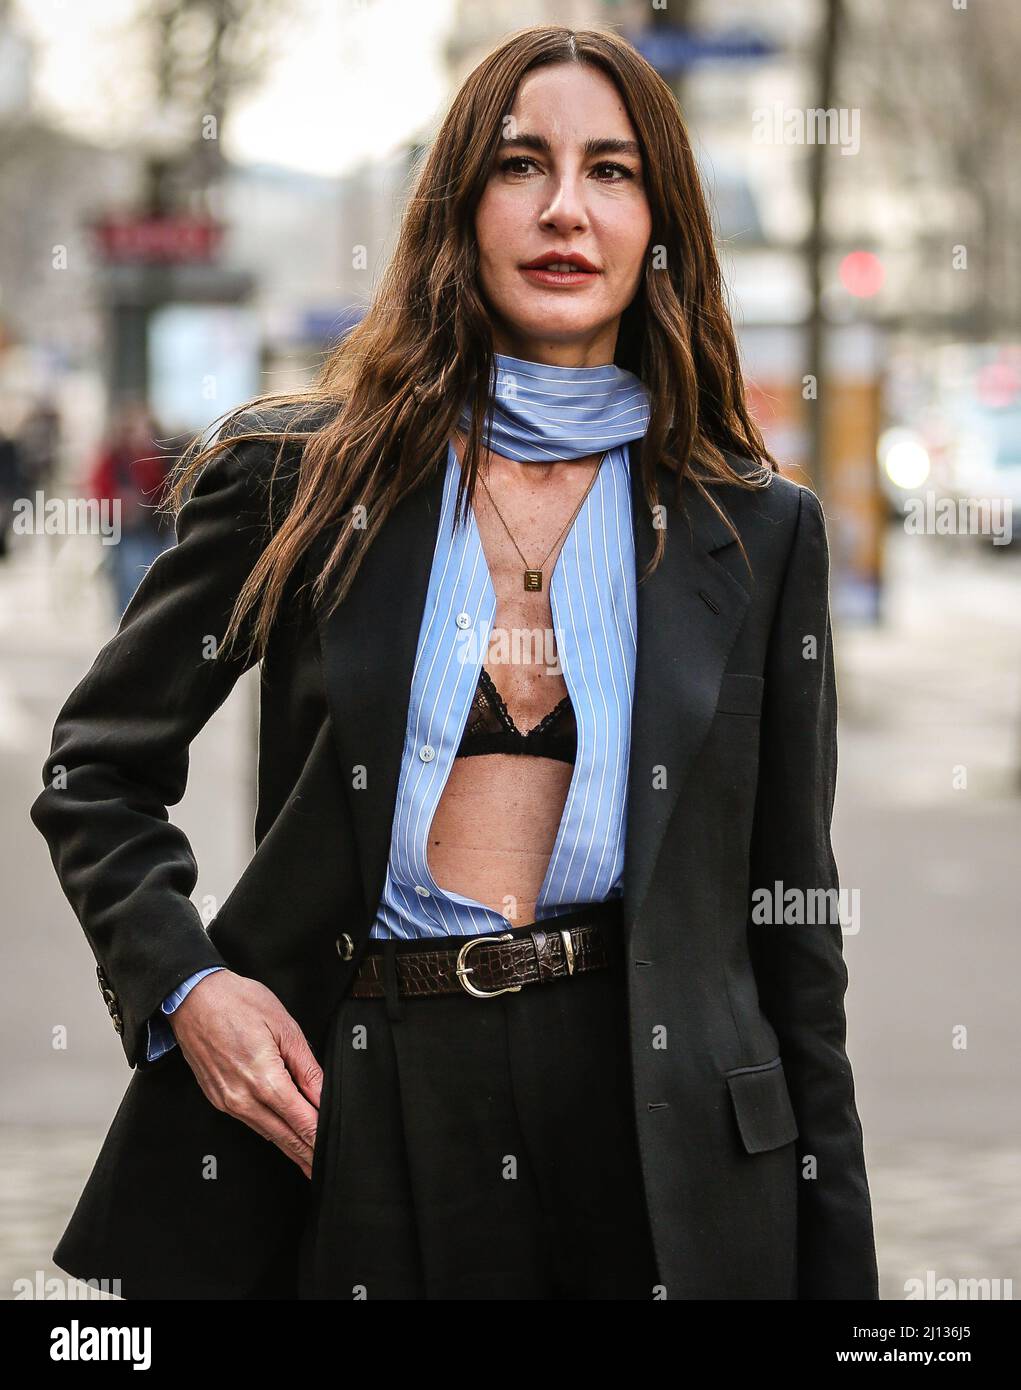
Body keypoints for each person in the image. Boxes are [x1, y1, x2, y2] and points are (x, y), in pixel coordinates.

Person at [30, 25, 879, 1301]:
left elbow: (794, 930)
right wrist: (188, 986)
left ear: (661, 220)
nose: (561, 209)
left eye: (610, 171)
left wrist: (842, 1277)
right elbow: (99, 767)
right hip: (366, 1097)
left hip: (660, 1125)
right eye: (518, 164)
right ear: (457, 208)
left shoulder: (754, 531)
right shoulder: (306, 480)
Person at [88, 401, 176, 614]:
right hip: (121, 526)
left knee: (147, 571)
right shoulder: (110, 458)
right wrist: (120, 504)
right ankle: (126, 619)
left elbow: (160, 490)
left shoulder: (150, 456)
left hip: (147, 526)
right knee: (125, 574)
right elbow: (98, 491)